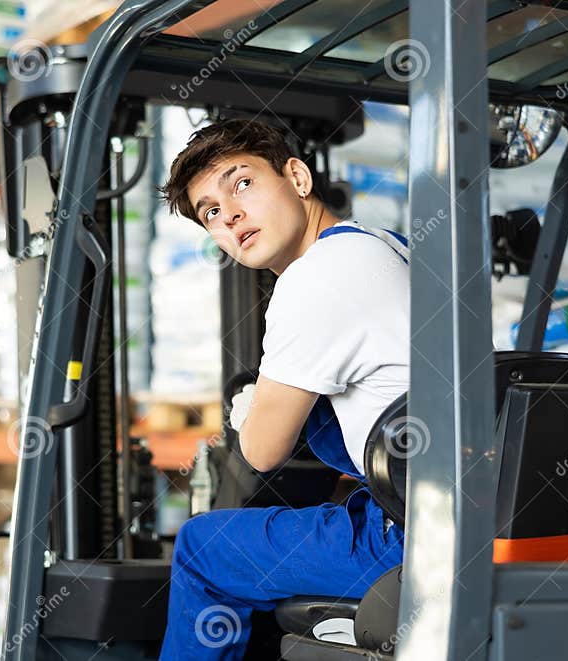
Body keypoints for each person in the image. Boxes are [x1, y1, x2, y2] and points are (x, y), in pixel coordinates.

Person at [157, 118, 409, 660]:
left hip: (412, 538)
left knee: (202, 548)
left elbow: (262, 453)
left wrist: (250, 413)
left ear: (297, 177)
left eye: (242, 183)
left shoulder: (312, 277)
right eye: (211, 213)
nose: (231, 215)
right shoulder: (388, 246)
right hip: (464, 511)